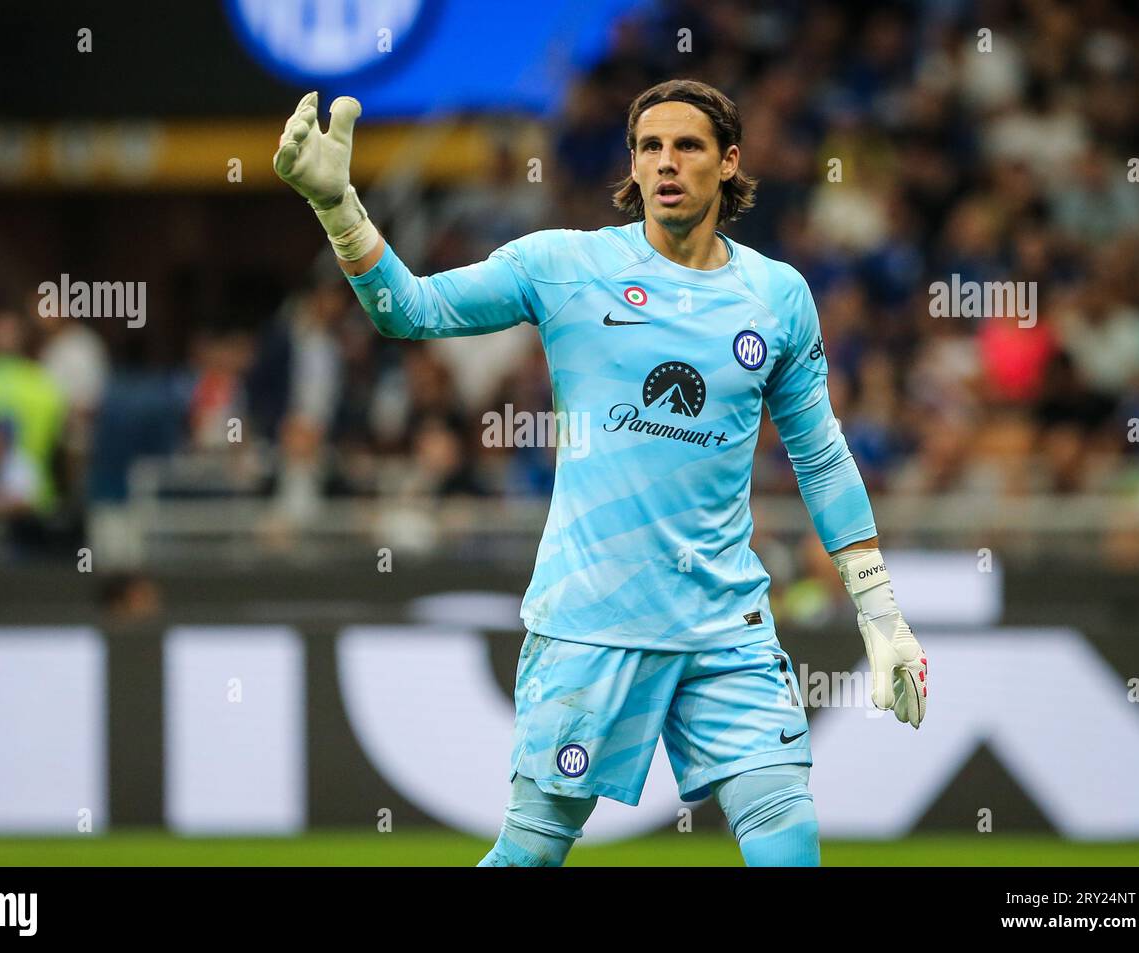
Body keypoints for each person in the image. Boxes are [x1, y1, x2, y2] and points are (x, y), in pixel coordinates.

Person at [274, 78, 928, 867]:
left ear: (729, 163)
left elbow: (820, 456)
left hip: (727, 625)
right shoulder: (566, 266)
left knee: (788, 839)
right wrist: (338, 209)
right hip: (593, 622)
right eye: (650, 147)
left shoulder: (777, 296)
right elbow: (407, 309)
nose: (666, 163)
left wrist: (880, 613)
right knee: (530, 854)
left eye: (686, 146)